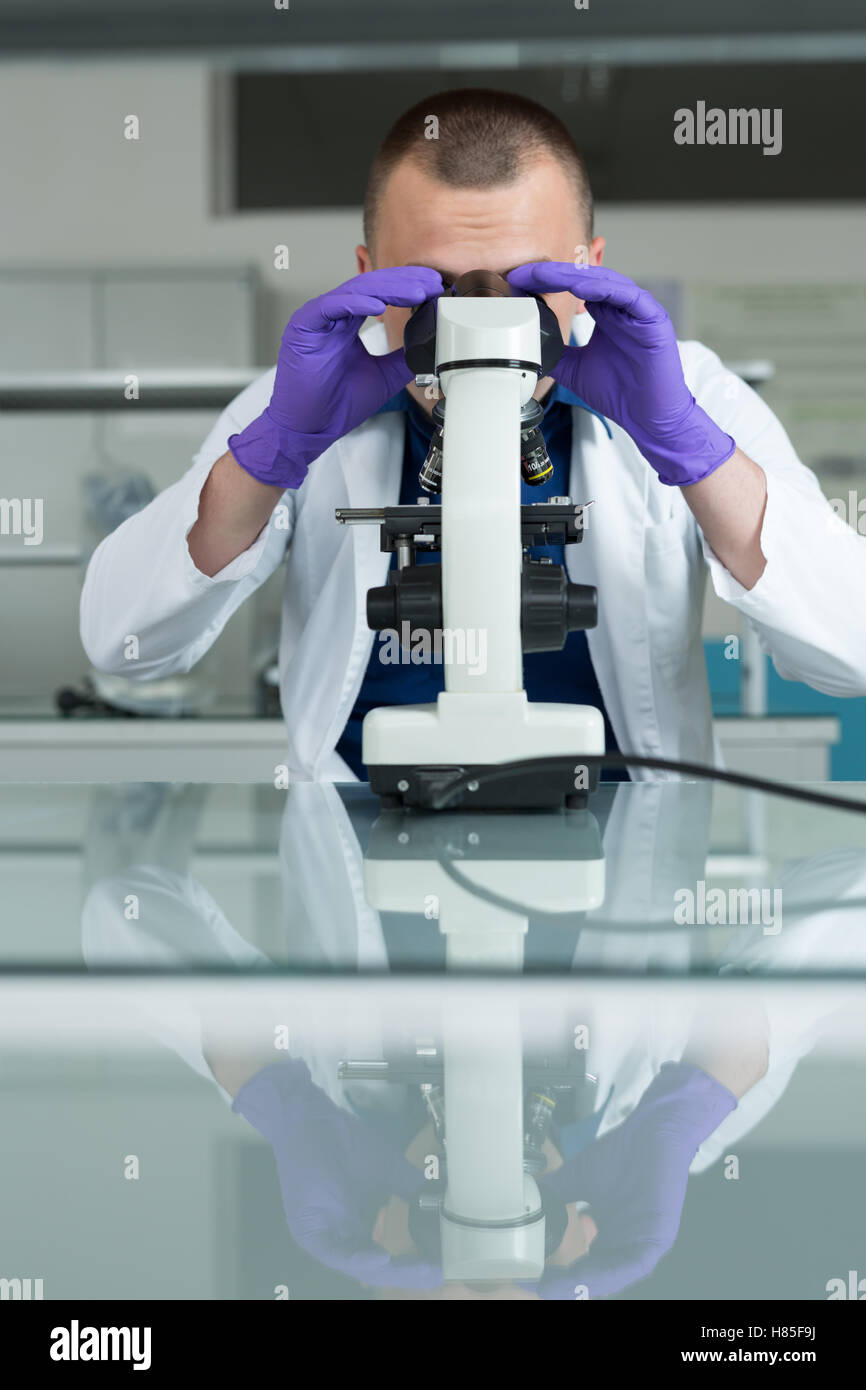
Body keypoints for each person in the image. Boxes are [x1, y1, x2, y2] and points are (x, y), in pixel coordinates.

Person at [80, 88, 866, 783]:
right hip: (361, 860)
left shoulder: (688, 391)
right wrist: (276, 449)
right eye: (436, 287)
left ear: (591, 266)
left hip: (626, 859)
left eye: (526, 284)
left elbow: (851, 649)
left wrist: (689, 447)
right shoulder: (301, 401)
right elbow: (124, 644)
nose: (481, 319)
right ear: (367, 272)